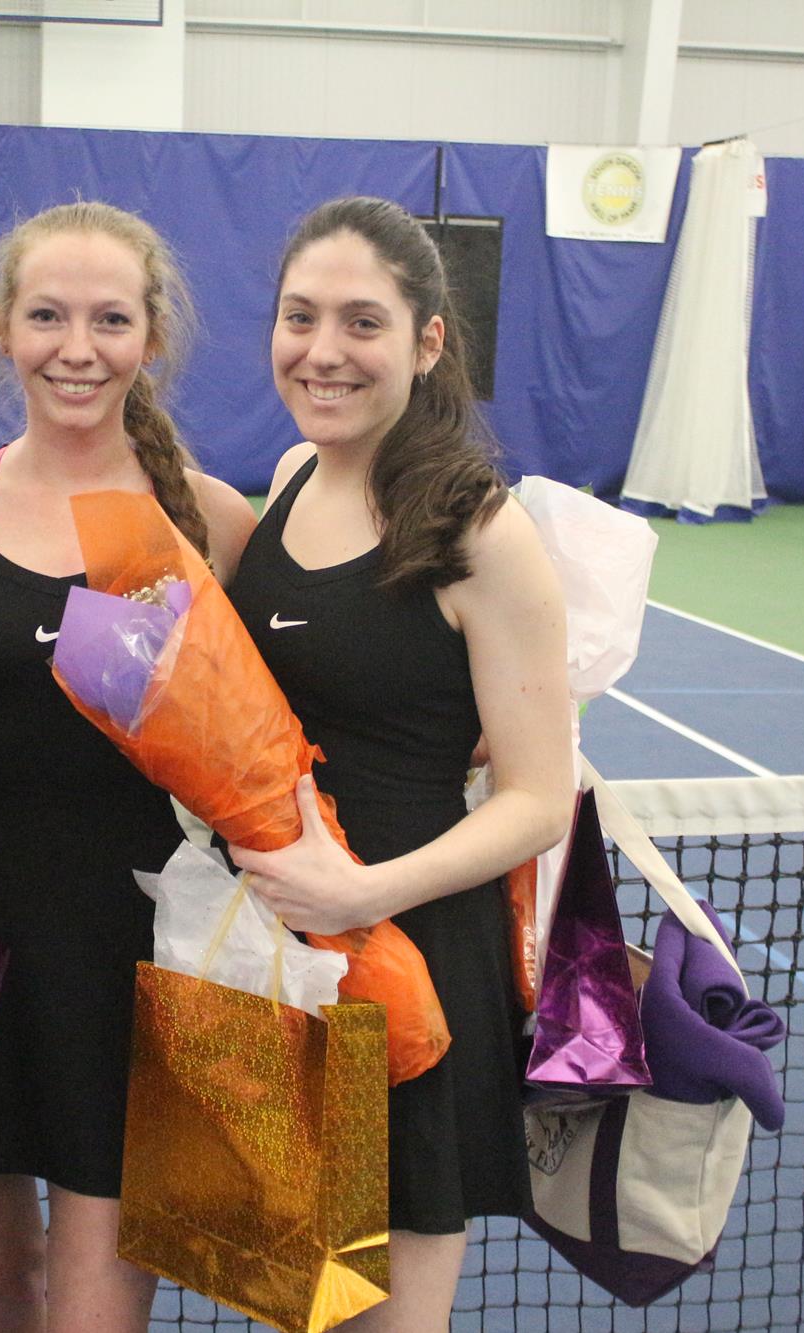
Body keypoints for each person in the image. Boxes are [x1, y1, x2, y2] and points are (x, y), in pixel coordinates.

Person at [0, 201, 257, 1332]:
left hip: (130, 955)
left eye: (108, 319)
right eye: (46, 315)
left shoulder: (216, 527)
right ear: (2, 328)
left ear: (151, 339)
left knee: (95, 1314)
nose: (75, 348)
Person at [223, 196, 573, 1328]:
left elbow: (533, 799)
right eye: (300, 317)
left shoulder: (478, 530)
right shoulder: (286, 475)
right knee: (295, 1300)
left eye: (362, 323)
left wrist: (361, 891)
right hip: (275, 950)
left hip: (407, 960)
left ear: (427, 343)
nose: (322, 352)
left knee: (381, 1318)